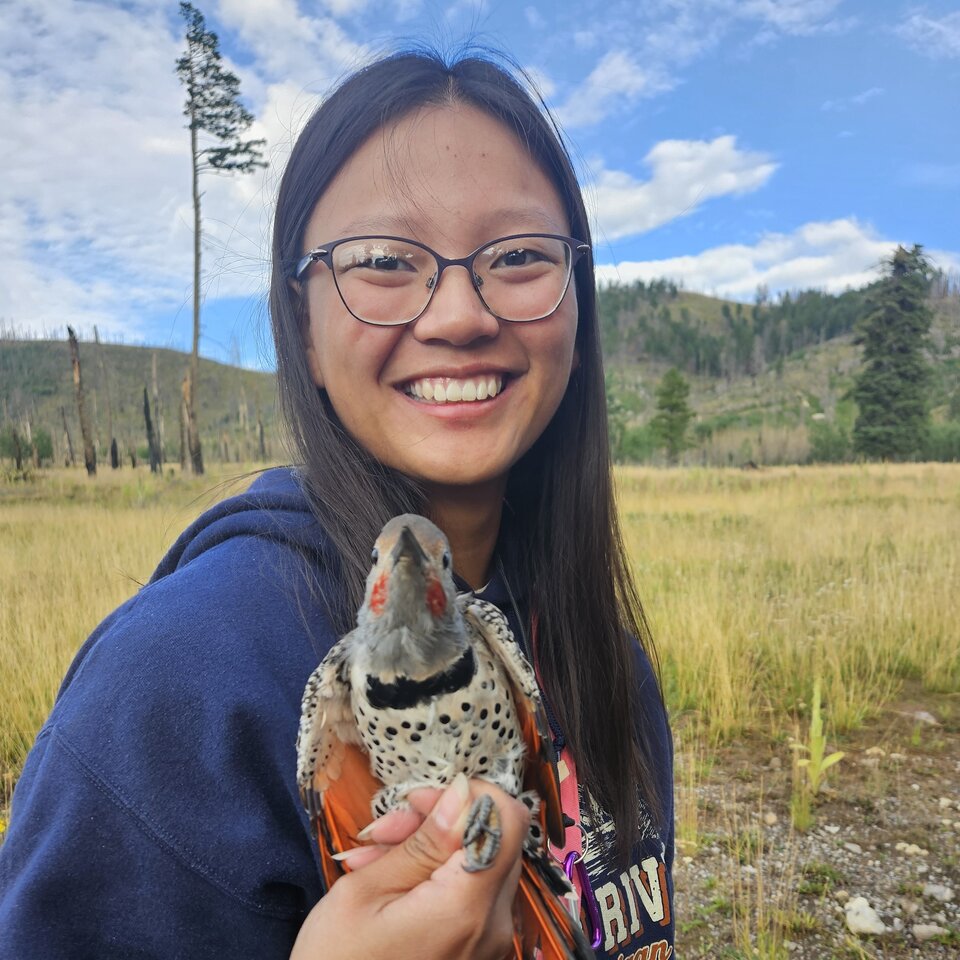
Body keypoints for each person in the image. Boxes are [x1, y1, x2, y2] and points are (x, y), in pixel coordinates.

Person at [0, 50, 673, 959]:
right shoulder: (173, 690)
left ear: (578, 311)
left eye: (517, 256)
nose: (460, 315)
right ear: (302, 328)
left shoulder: (608, 656)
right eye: (385, 262)